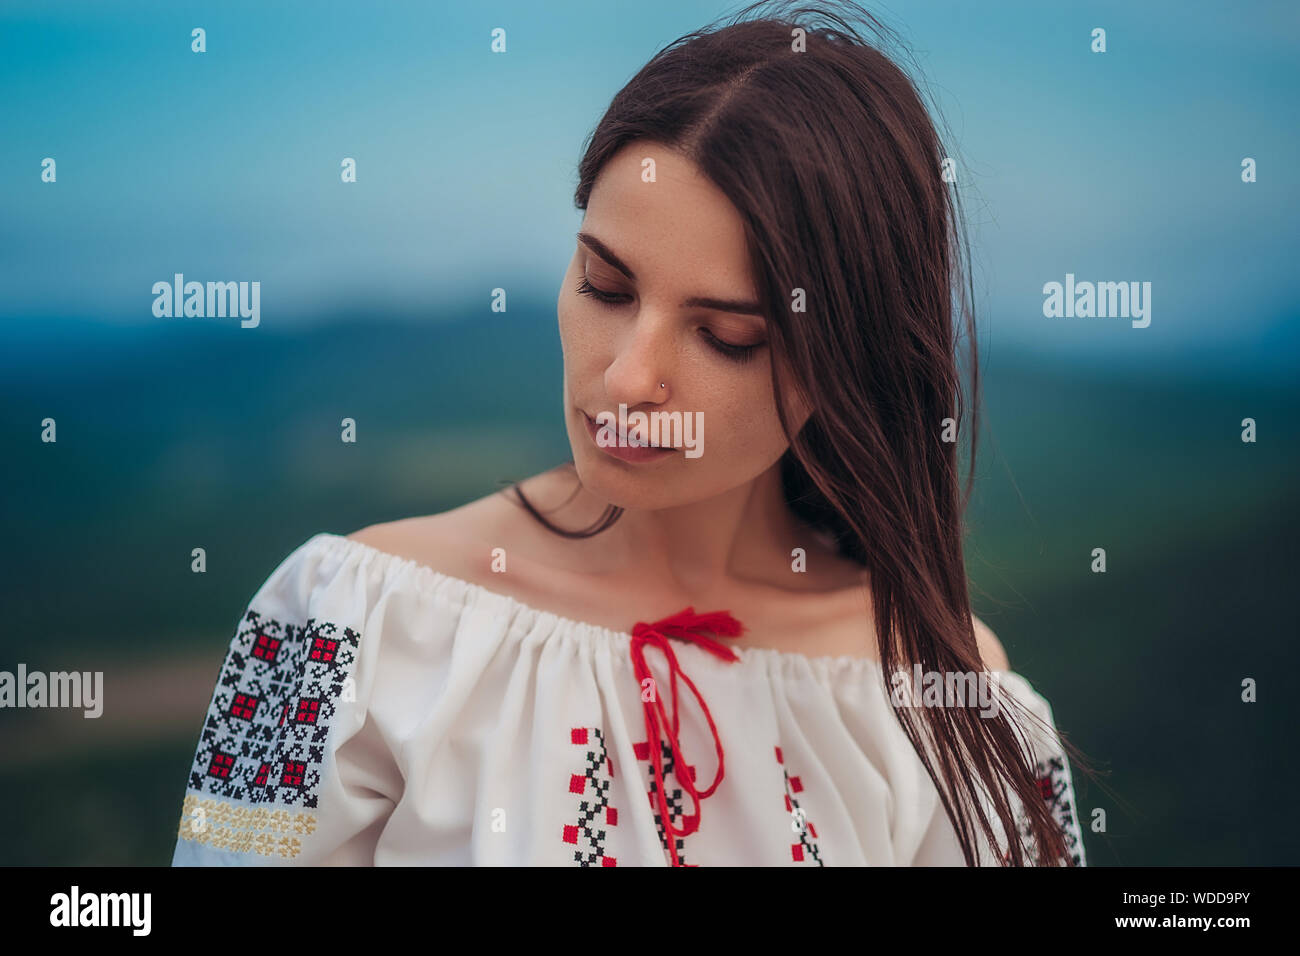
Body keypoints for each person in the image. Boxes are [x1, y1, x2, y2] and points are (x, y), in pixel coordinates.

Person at [170, 0, 1088, 867]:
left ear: (847, 361)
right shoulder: (333, 625)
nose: (627, 377)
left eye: (727, 336)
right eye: (606, 287)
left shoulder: (956, 711)